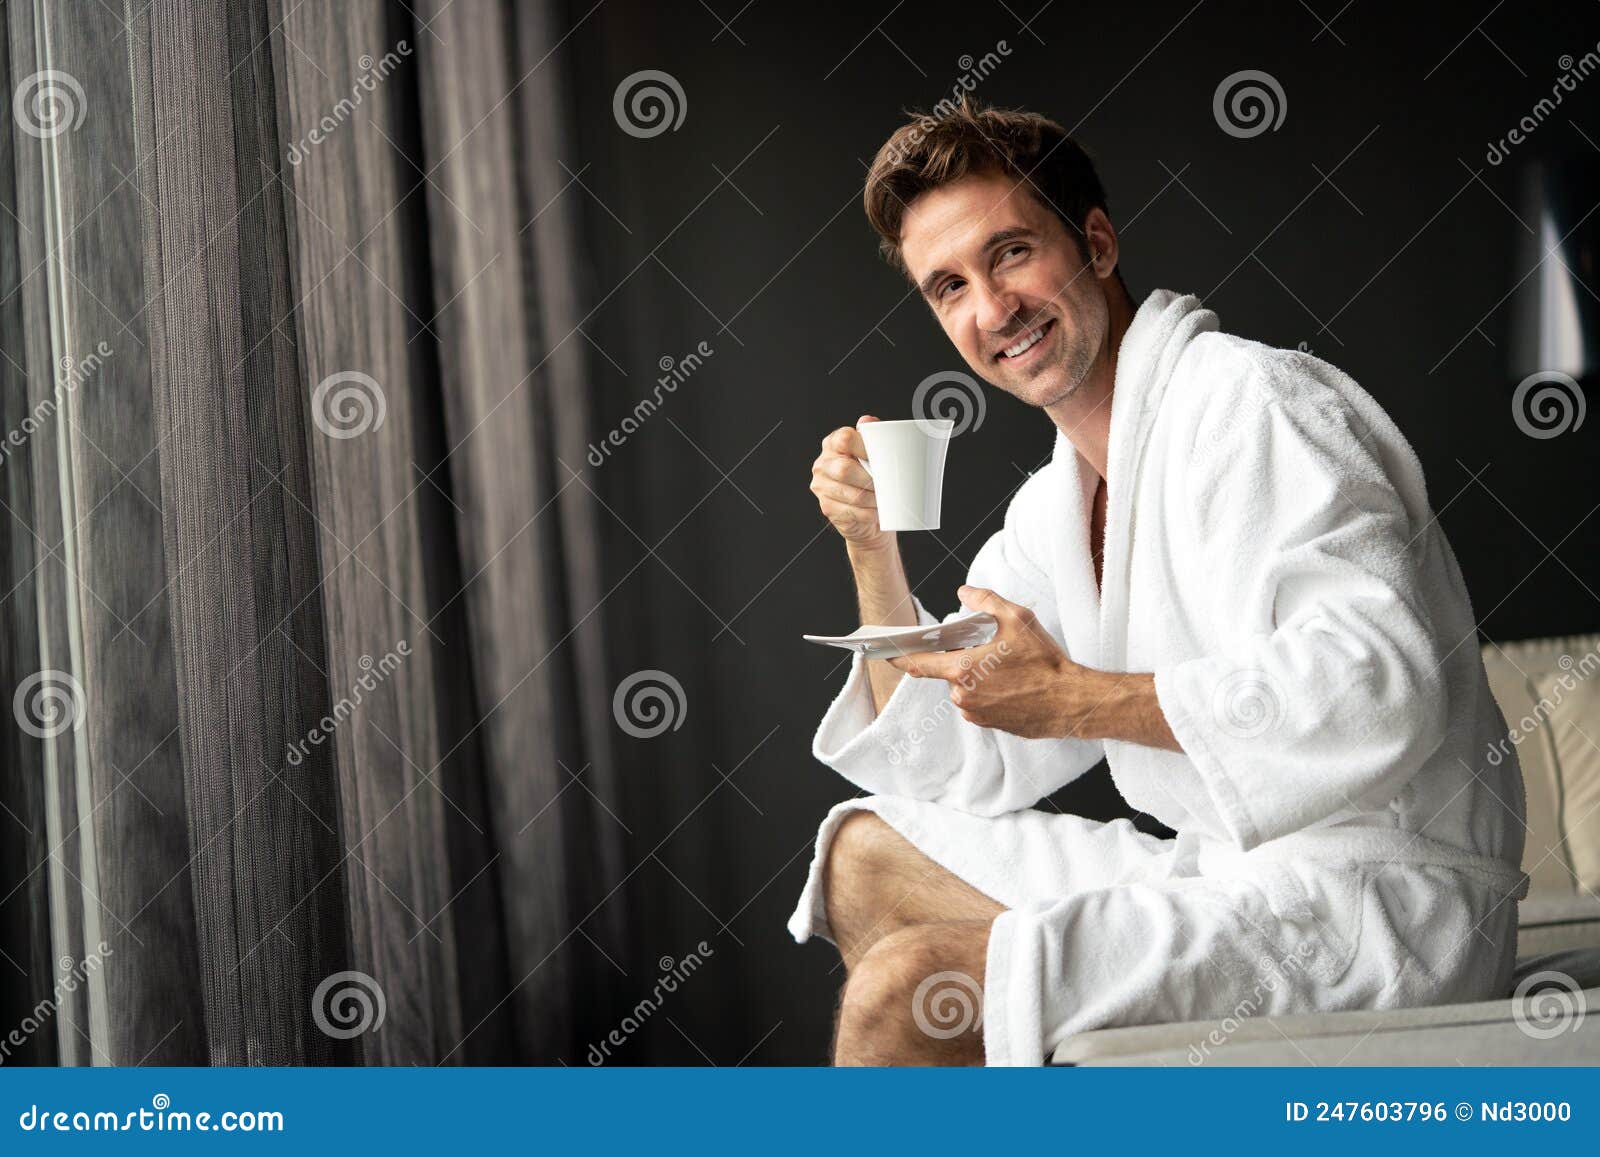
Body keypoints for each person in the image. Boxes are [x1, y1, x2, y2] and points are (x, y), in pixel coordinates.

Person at [791, 96, 1528, 1066]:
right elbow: (943, 757)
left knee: (904, 994)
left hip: (1379, 913)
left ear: (1095, 243)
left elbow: (1379, 688)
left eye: (1011, 252)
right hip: (1227, 877)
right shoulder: (1057, 504)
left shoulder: (1253, 403)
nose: (992, 308)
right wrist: (872, 549)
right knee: (862, 856)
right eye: (950, 286)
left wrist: (1076, 698)